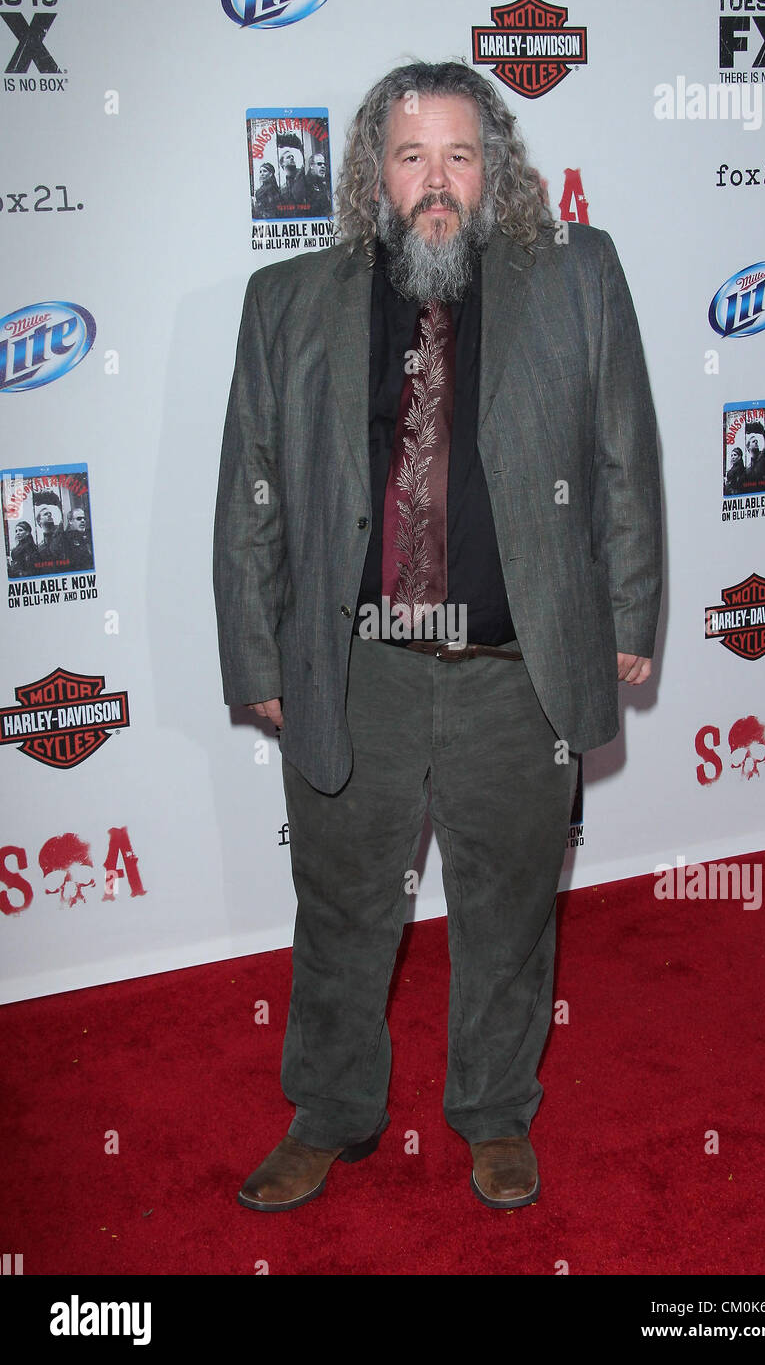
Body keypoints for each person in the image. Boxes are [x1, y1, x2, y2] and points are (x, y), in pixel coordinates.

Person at [213, 61, 662, 1214]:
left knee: (510, 910)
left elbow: (625, 454)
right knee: (344, 909)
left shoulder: (574, 274)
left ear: (492, 167)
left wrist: (628, 614)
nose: (436, 183)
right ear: (375, 171)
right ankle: (330, 1110)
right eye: (412, 157)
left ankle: (496, 1112)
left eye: (460, 156)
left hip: (516, 674)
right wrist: (258, 661)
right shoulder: (286, 299)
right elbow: (250, 493)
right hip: (358, 668)